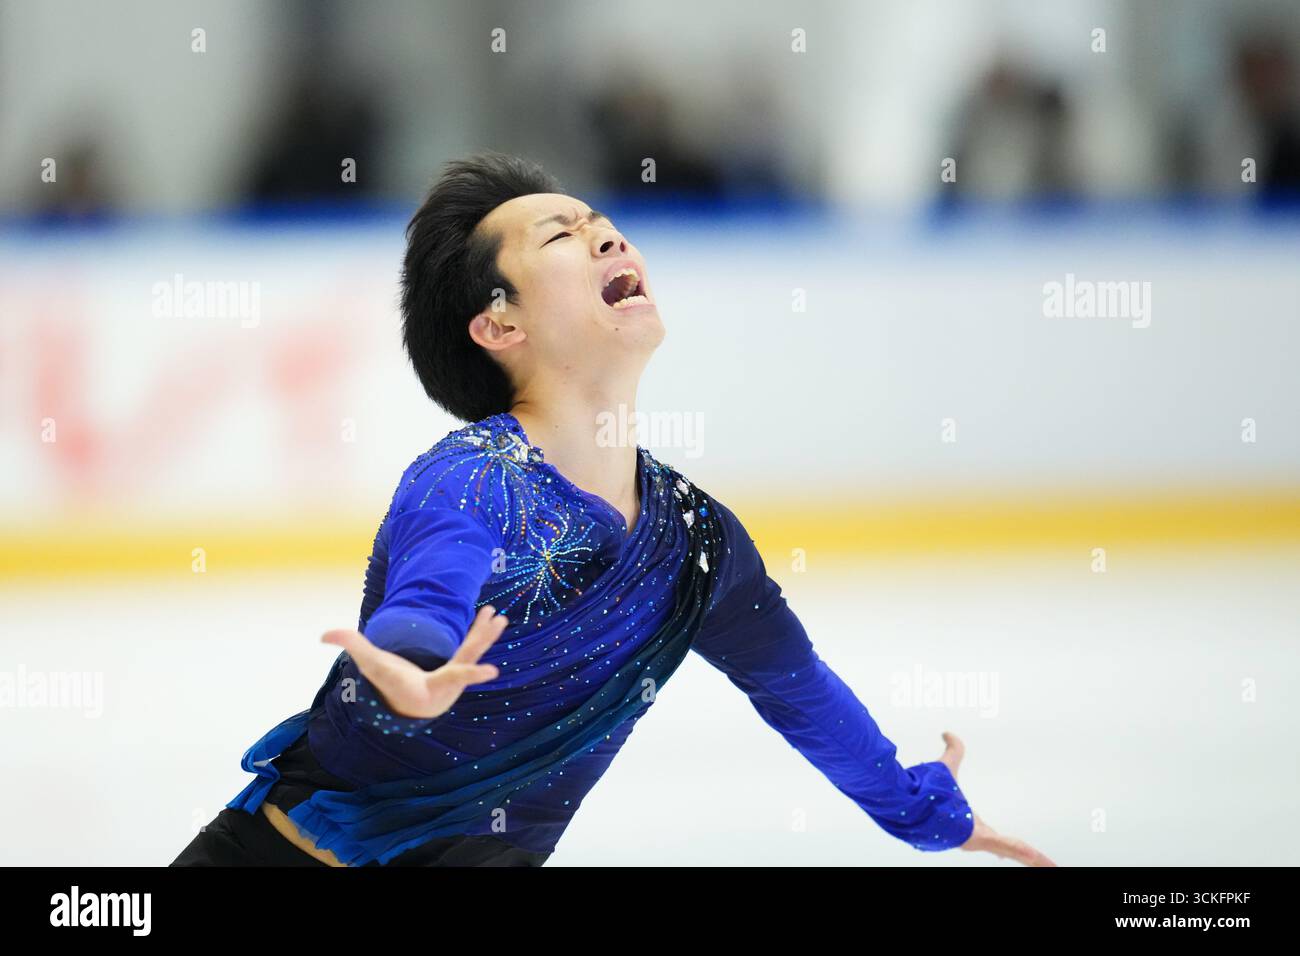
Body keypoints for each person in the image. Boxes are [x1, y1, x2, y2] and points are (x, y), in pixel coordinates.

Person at [172, 151, 1054, 868]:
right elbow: (428, 602)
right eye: (563, 235)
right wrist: (407, 671)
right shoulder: (472, 478)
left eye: (603, 226)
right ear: (499, 325)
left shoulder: (695, 543)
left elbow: (797, 689)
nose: (605, 239)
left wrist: (918, 811)